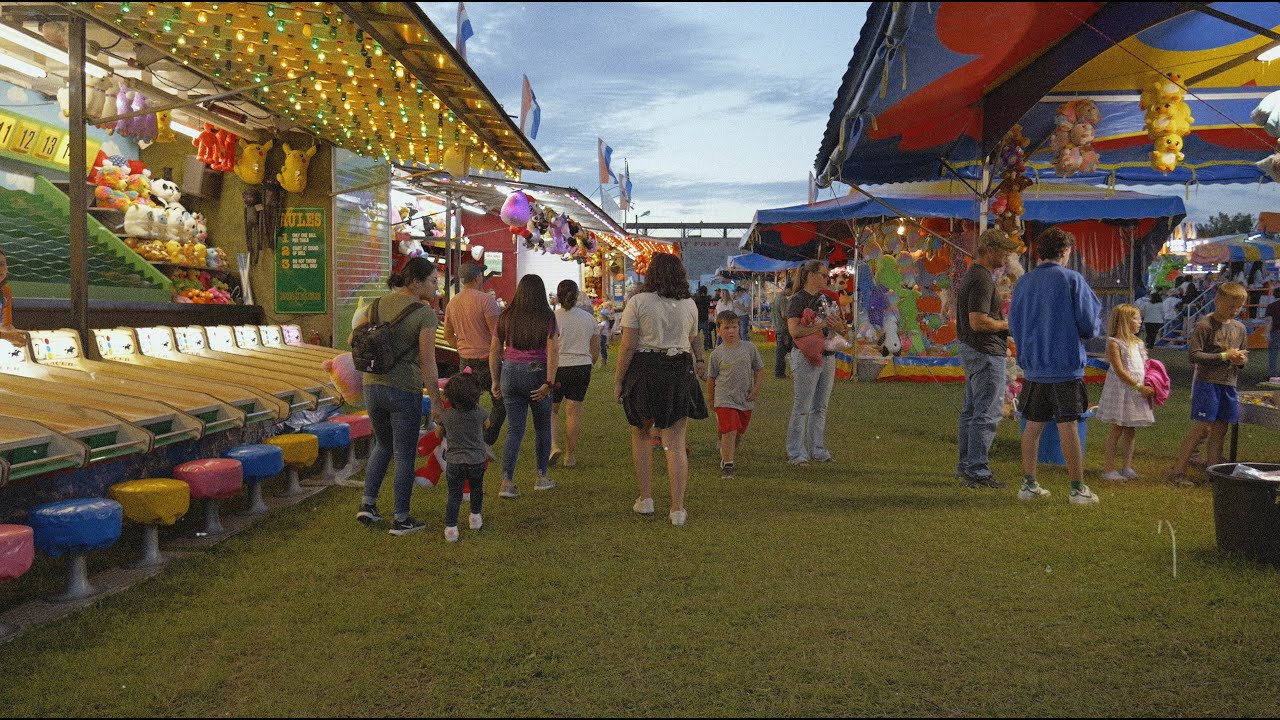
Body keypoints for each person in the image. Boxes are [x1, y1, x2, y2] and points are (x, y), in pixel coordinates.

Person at [1008, 226, 1103, 505]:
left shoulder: (1024, 282)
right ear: (1065, 252)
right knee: (1068, 425)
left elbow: (1014, 324)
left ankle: (1028, 484)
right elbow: (1089, 323)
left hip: (1034, 365)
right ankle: (1077, 489)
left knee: (1032, 425)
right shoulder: (1072, 279)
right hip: (1065, 365)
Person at [615, 253, 705, 526]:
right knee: (675, 442)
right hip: (679, 367)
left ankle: (646, 498)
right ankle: (677, 508)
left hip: (645, 368)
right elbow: (693, 339)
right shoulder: (689, 304)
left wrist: (618, 381)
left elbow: (628, 345)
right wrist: (700, 361)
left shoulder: (638, 302)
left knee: (641, 433)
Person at [354, 256, 441, 536]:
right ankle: (401, 519)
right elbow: (428, 361)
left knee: (383, 445)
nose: (435, 286)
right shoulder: (424, 313)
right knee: (404, 454)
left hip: (372, 384)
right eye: (432, 281)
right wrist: (437, 401)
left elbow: (352, 339)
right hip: (404, 387)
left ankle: (368, 504)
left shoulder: (377, 304)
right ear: (416, 282)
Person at [955, 228, 1021, 489]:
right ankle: (978, 470)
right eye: (1004, 250)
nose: (1007, 256)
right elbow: (978, 321)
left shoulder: (975, 275)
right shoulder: (982, 279)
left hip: (974, 350)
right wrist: (1006, 325)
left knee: (971, 412)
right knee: (987, 413)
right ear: (990, 250)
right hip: (984, 351)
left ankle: (966, 466)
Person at [1167, 282, 1250, 487]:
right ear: (1218, 301)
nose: (1235, 310)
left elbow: (1243, 355)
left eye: (1239, 307)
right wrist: (1224, 356)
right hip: (1207, 384)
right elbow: (1194, 355)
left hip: (1228, 384)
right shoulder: (1205, 325)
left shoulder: (1240, 328)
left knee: (1221, 429)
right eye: (1231, 306)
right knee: (1201, 430)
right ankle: (1177, 472)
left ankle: (1212, 474)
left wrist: (1240, 361)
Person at [490, 275, 559, 499]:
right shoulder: (547, 316)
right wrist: (549, 382)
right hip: (537, 372)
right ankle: (541, 476)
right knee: (542, 427)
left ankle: (507, 481)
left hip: (510, 372)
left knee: (514, 429)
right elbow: (553, 351)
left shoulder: (506, 316)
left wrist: (495, 379)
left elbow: (494, 350)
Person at [785, 260, 848, 467]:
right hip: (805, 356)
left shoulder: (826, 299)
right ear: (811, 275)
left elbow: (841, 328)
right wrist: (821, 325)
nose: (827, 279)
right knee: (802, 405)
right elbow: (794, 331)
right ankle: (796, 451)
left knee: (820, 406)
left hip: (827, 356)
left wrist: (838, 326)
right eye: (823, 275)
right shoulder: (797, 300)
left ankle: (817, 448)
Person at [442, 262, 505, 451]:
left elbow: (447, 334)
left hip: (465, 360)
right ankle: (486, 440)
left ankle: (468, 441)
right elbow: (496, 334)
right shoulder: (486, 301)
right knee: (500, 404)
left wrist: (461, 347)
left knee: (467, 404)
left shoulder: (453, 303)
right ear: (478, 278)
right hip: (488, 360)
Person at [1096, 304, 1155, 482]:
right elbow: (1120, 371)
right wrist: (1138, 387)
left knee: (1131, 429)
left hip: (1136, 390)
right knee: (1117, 428)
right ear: (1124, 321)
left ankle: (1127, 466)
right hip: (1122, 390)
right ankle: (1109, 468)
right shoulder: (1115, 343)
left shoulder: (1138, 343)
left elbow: (1145, 365)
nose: (1139, 321)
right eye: (1135, 318)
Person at [706, 310, 764, 479]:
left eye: (733, 327)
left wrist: (756, 389)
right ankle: (728, 464)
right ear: (719, 330)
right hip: (724, 399)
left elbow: (759, 370)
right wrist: (711, 399)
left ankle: (727, 451)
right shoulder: (717, 354)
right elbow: (711, 379)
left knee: (738, 432)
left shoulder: (749, 348)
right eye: (726, 328)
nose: (730, 331)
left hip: (744, 399)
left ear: (739, 327)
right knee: (729, 430)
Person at [435, 370, 489, 543]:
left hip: (454, 462)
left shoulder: (446, 416)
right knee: (476, 489)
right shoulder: (480, 413)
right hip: (477, 460)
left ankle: (451, 528)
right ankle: (475, 517)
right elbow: (487, 426)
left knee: (454, 495)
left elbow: (438, 434)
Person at [549, 279, 598, 468]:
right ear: (577, 296)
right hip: (581, 366)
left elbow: (548, 347)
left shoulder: (553, 318)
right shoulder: (588, 319)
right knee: (573, 411)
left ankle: (553, 445)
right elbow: (594, 350)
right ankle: (570, 455)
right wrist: (589, 363)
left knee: (552, 410)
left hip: (558, 367)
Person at [770, 282, 793, 379]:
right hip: (783, 328)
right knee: (782, 352)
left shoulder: (777, 297)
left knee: (780, 351)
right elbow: (784, 315)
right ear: (789, 289)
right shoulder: (783, 299)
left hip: (777, 326)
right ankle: (779, 373)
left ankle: (779, 372)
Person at [1266, 287, 1280, 378]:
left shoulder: (1271, 306)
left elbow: (1269, 321)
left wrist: (1267, 333)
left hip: (1275, 331)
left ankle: (1273, 375)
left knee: (1273, 353)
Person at [694, 286, 713, 350]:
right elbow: (710, 307)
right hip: (705, 317)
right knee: (706, 335)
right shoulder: (708, 298)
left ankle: (696, 346)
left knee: (696, 334)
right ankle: (706, 347)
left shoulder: (697, 299)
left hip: (698, 318)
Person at [0, 246, 13, 330]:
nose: (0, 269)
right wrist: (8, 336)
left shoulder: (5, 291)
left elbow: (5, 326)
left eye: (2, 264)